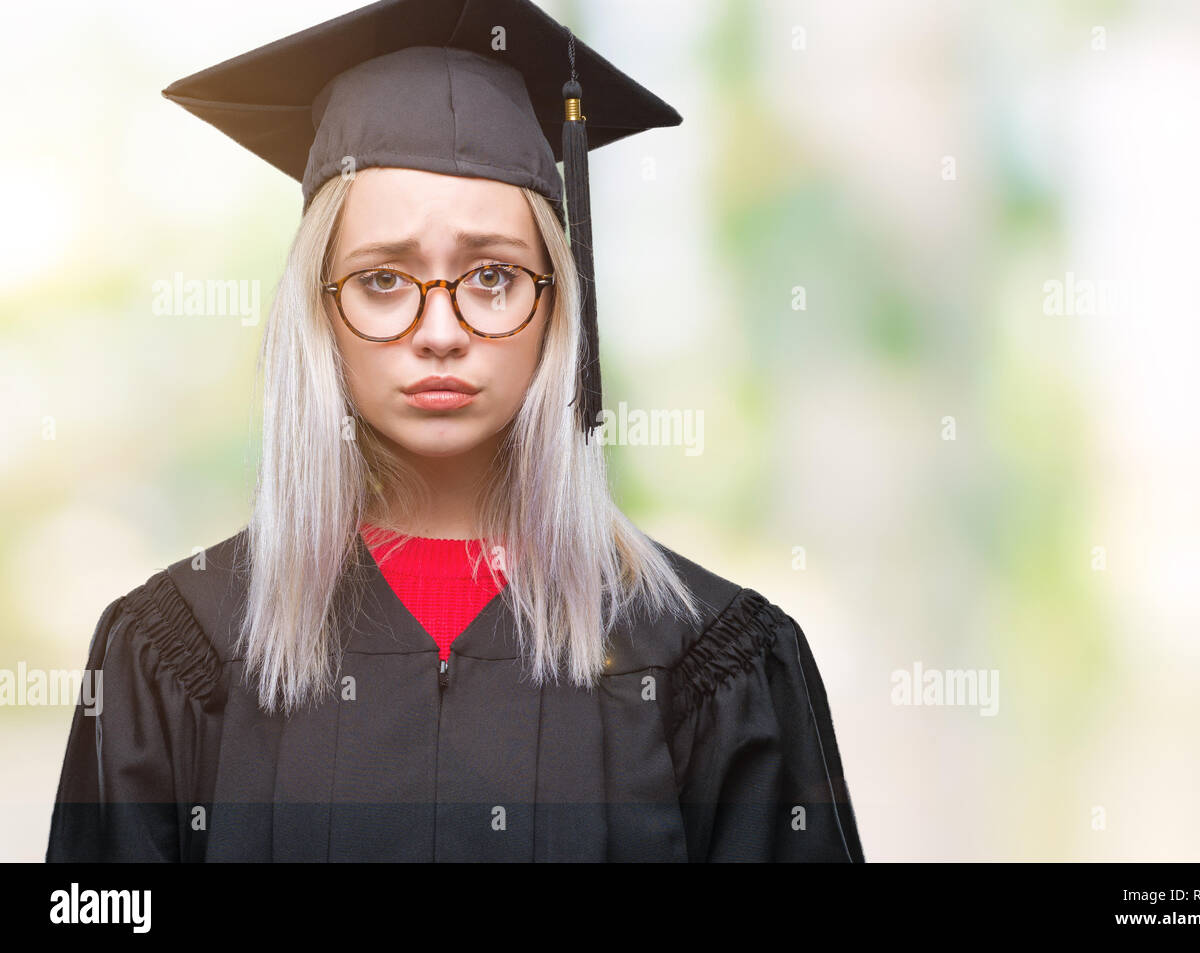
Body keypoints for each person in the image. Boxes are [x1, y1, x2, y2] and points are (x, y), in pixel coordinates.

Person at [45, 0, 865, 862]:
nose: (440, 330)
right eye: (383, 280)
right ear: (316, 314)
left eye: (492, 275)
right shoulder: (181, 655)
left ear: (559, 306)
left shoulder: (710, 662)